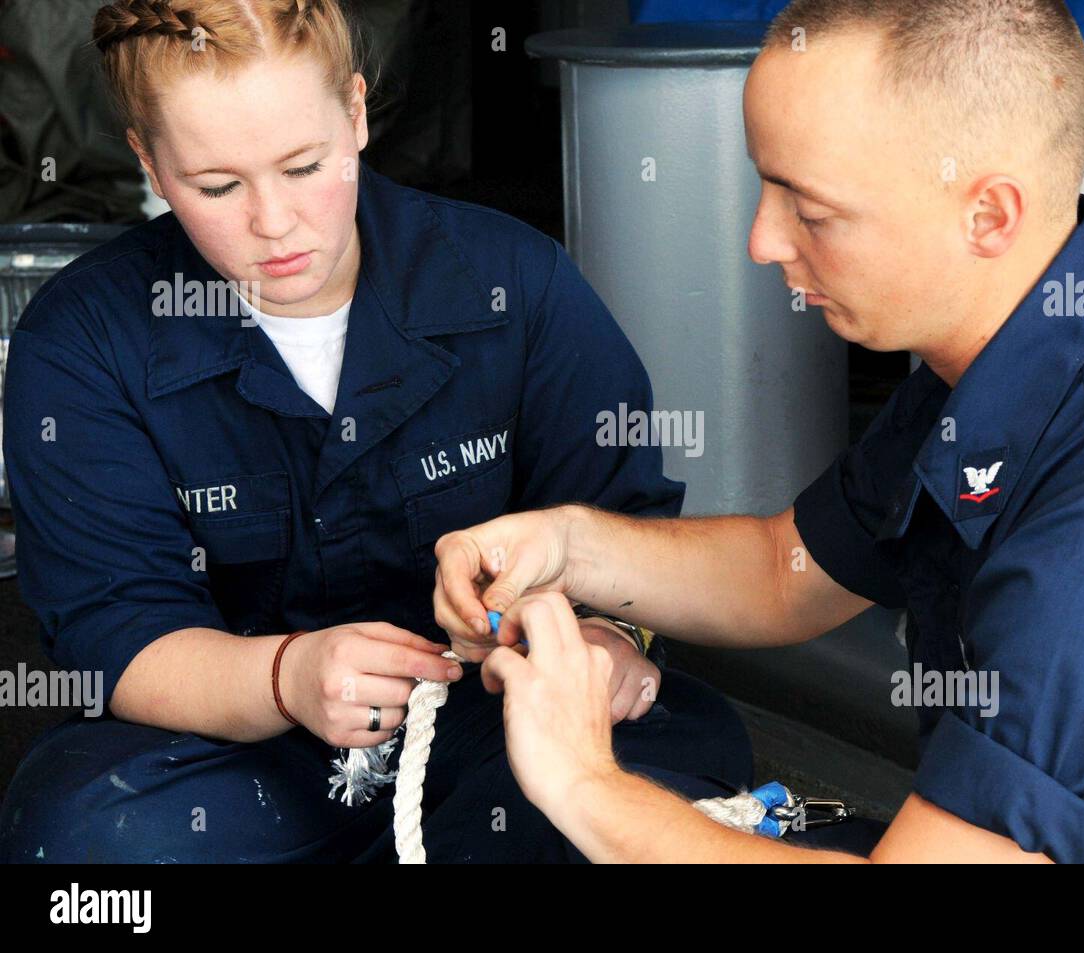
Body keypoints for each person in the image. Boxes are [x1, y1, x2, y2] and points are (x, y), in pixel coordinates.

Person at [434, 0, 1084, 863]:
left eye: (812, 211)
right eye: (765, 186)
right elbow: (787, 570)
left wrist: (582, 780)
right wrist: (565, 544)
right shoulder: (1018, 346)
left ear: (989, 216)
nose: (762, 241)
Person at [0, 0, 752, 863]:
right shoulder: (83, 341)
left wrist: (605, 642)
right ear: (147, 161)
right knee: (82, 839)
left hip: (495, 719)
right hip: (235, 742)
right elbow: (118, 635)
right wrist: (286, 676)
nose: (273, 222)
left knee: (663, 773)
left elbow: (631, 532)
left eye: (305, 165)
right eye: (216, 186)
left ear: (356, 113)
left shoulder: (514, 281)